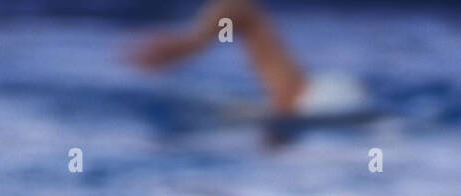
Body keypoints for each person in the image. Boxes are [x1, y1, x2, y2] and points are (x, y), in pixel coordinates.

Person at [128, 0, 368, 120]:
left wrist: (191, 43)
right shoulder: (310, 101)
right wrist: (192, 43)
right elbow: (242, 10)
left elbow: (241, 9)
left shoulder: (306, 102)